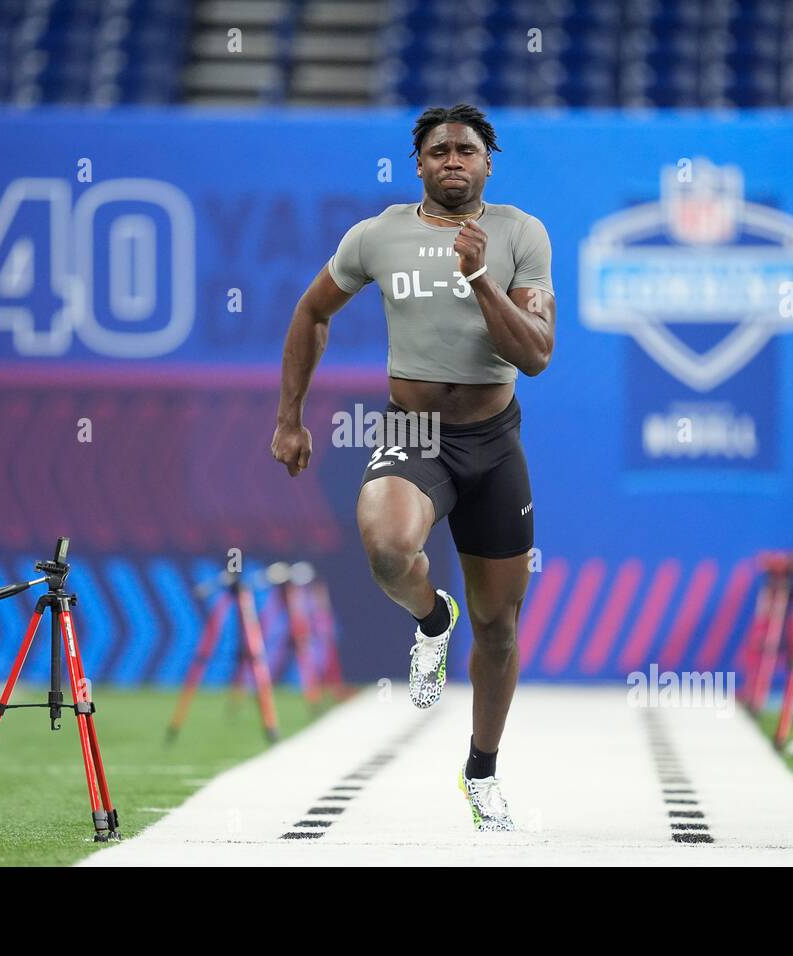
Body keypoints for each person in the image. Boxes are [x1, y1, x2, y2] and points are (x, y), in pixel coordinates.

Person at [270, 104, 555, 830]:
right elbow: (311, 312)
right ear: (419, 164)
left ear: (488, 162)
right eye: (437, 151)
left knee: (498, 627)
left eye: (466, 150)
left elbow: (536, 355)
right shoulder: (378, 235)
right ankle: (433, 621)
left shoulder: (520, 233)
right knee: (389, 547)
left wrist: (482, 279)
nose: (452, 160)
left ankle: (482, 774)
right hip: (415, 429)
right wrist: (289, 417)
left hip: (494, 438)